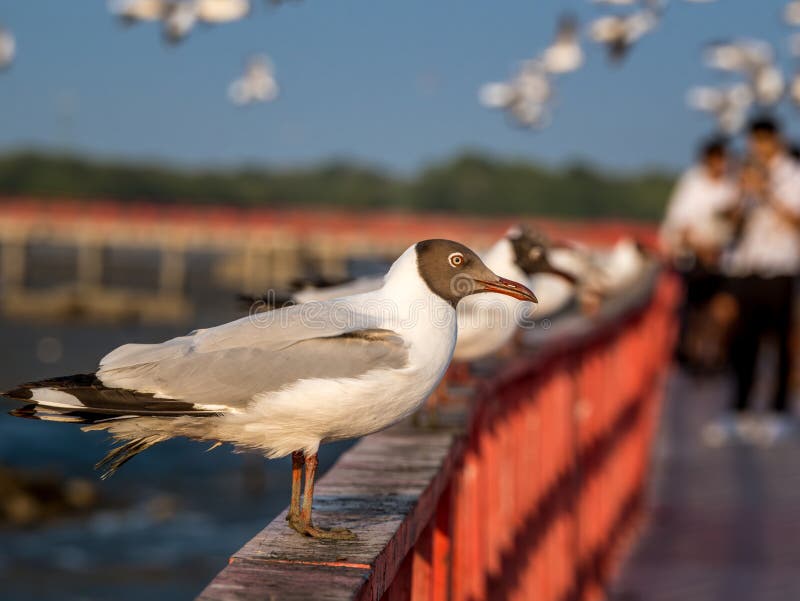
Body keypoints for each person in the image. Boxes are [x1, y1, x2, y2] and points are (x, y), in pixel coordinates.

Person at [705, 116, 800, 447]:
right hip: (747, 268)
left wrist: (768, 192)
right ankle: (739, 410)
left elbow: (796, 221)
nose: (758, 148)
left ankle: (778, 413)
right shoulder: (742, 173)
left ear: (776, 141)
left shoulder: (792, 173)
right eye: (754, 141)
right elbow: (726, 221)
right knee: (742, 342)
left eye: (764, 141)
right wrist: (744, 196)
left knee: (778, 342)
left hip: (780, 269)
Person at [660, 138, 739, 371]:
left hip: (724, 261)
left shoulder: (734, 186)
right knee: (693, 312)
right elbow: (680, 225)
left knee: (720, 310)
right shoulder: (692, 184)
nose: (721, 165)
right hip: (694, 260)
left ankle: (712, 354)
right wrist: (702, 249)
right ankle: (694, 355)